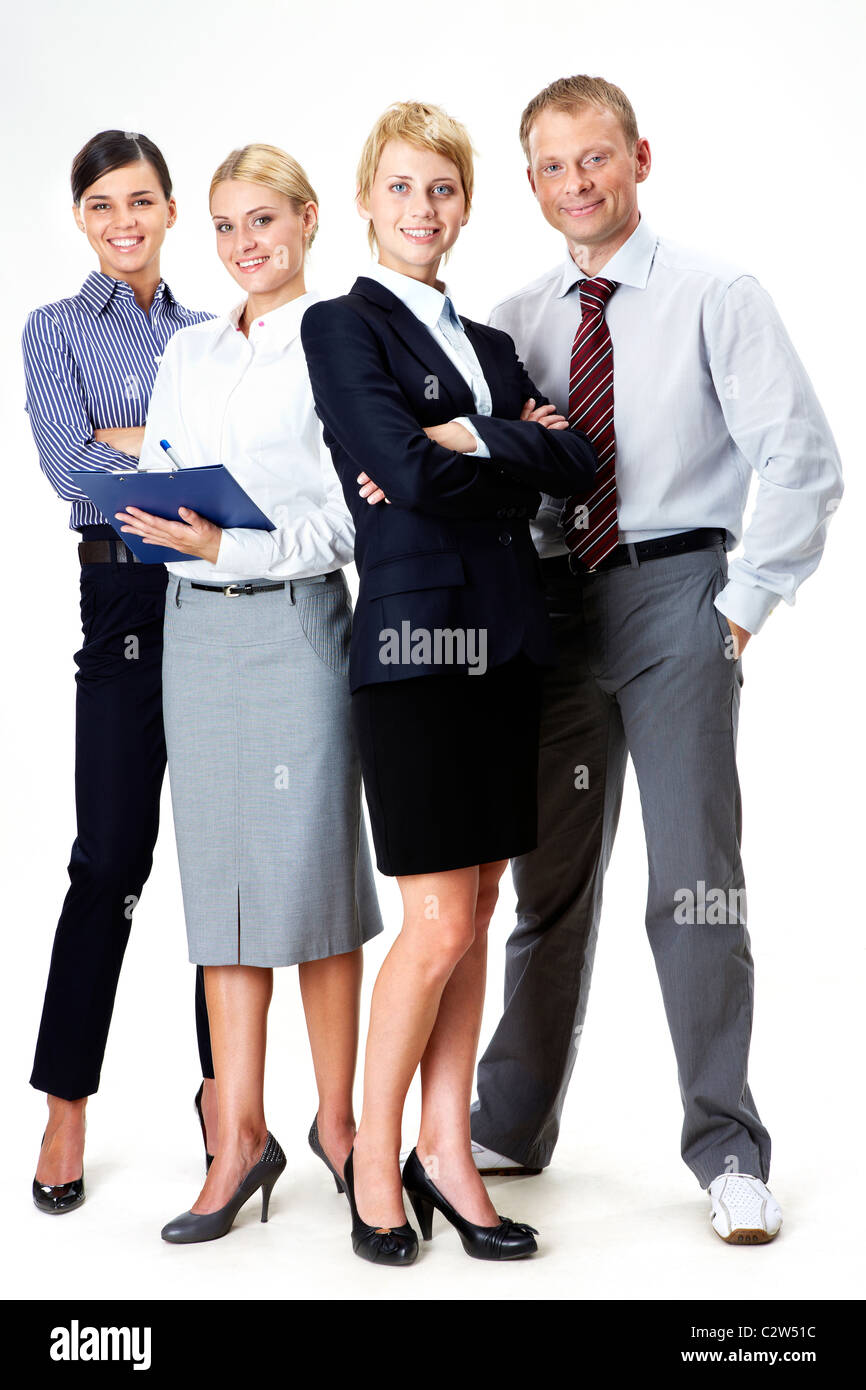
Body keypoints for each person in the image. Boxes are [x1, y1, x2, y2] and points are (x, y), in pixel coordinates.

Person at [467, 74, 843, 1244]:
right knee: (548, 886)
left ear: (637, 156)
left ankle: (726, 1145)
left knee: (694, 883)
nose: (575, 183)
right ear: (528, 182)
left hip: (677, 595)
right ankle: (510, 1121)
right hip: (554, 610)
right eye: (550, 167)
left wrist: (733, 612)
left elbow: (800, 459)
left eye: (594, 158)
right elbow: (497, 471)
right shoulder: (516, 315)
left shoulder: (712, 293)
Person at [300, 101, 597, 1265]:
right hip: (416, 653)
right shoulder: (342, 327)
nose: (421, 208)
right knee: (430, 922)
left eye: (441, 188)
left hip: (507, 648)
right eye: (401, 187)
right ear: (367, 201)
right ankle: (375, 1159)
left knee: (473, 916)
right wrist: (491, 446)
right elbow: (402, 479)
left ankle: (447, 1148)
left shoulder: (490, 341)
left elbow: (570, 464)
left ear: (464, 203)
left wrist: (464, 438)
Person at [117, 143, 384, 1244]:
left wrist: (230, 540)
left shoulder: (335, 344)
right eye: (224, 227)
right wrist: (164, 521)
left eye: (263, 220)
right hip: (195, 639)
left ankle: (340, 1124)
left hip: (294, 626)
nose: (244, 245)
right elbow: (158, 475)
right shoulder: (184, 350)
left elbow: (343, 521)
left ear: (310, 219)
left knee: (314, 880)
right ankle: (237, 1139)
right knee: (221, 896)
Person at [23, 131, 217, 1215]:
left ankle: (222, 1101)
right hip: (123, 598)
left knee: (222, 859)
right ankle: (65, 1104)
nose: (124, 221)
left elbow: (263, 464)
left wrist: (123, 436)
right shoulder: (50, 330)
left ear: (172, 209)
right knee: (107, 858)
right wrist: (178, 450)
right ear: (83, 220)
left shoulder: (215, 329)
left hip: (226, 593)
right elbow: (65, 464)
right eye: (103, 206)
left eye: (141, 200)